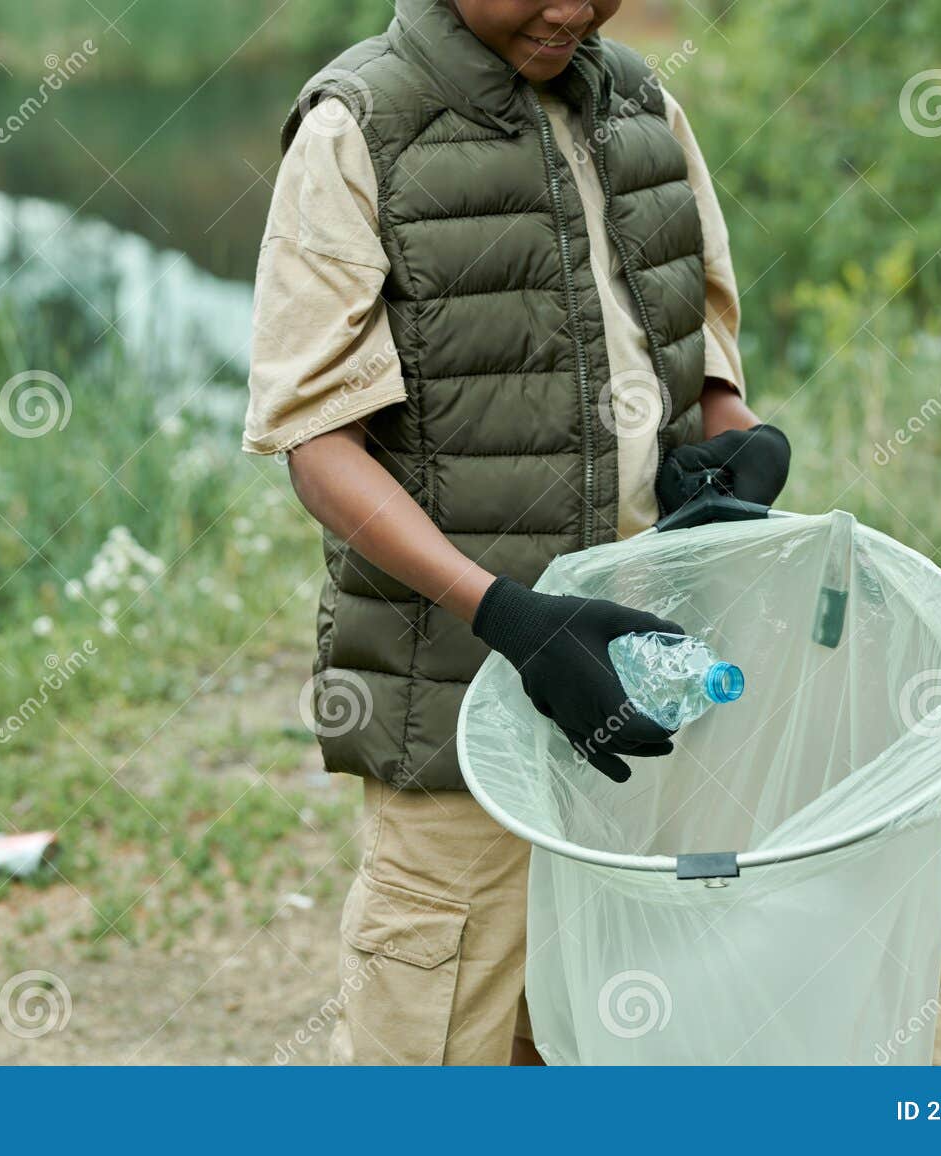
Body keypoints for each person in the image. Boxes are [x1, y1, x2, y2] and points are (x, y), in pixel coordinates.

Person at [241, 0, 789, 1065]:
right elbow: (319, 443)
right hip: (459, 708)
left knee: (616, 1031)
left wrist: (738, 449)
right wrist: (508, 616)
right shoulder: (358, 129)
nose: (571, 9)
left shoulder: (643, 107)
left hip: (641, 684)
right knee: (441, 1048)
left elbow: (701, 360)